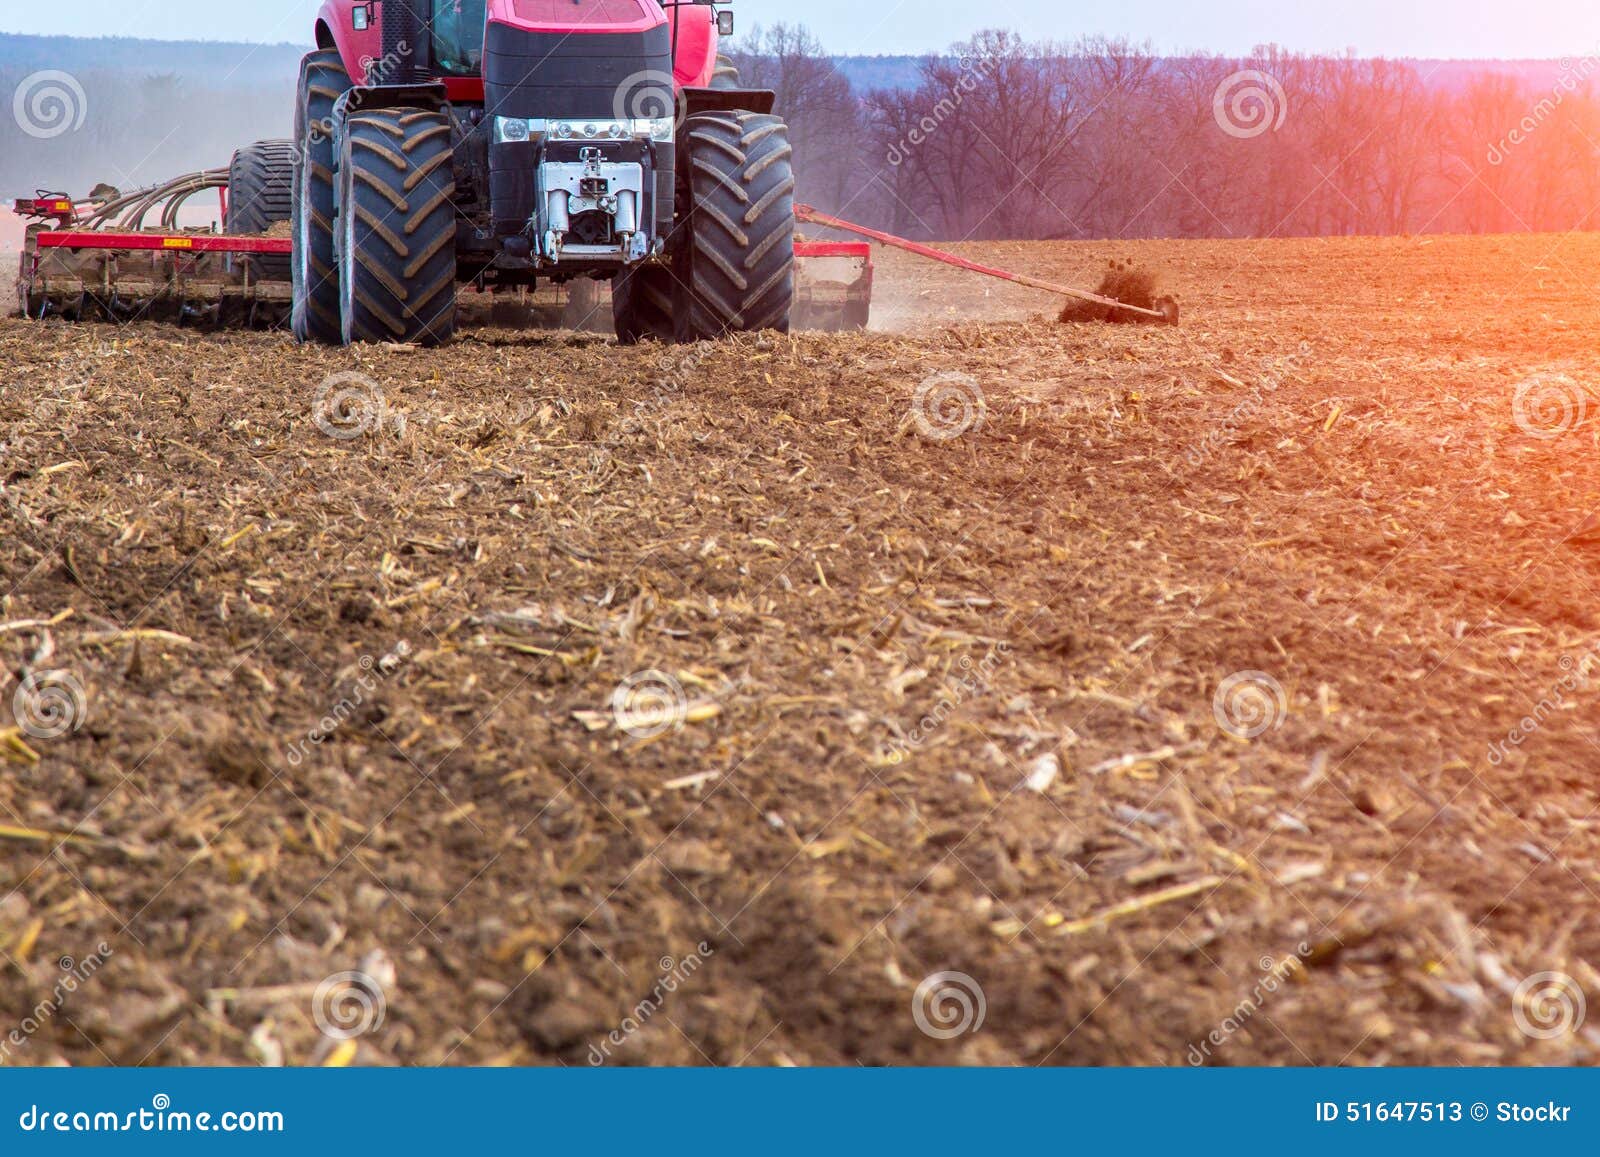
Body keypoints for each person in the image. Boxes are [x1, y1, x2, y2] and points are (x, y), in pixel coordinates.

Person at [433, 0, 487, 73]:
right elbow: (445, 63)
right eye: (454, 6)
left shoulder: (482, 30)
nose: (457, 11)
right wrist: (468, 69)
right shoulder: (438, 33)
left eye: (460, 6)